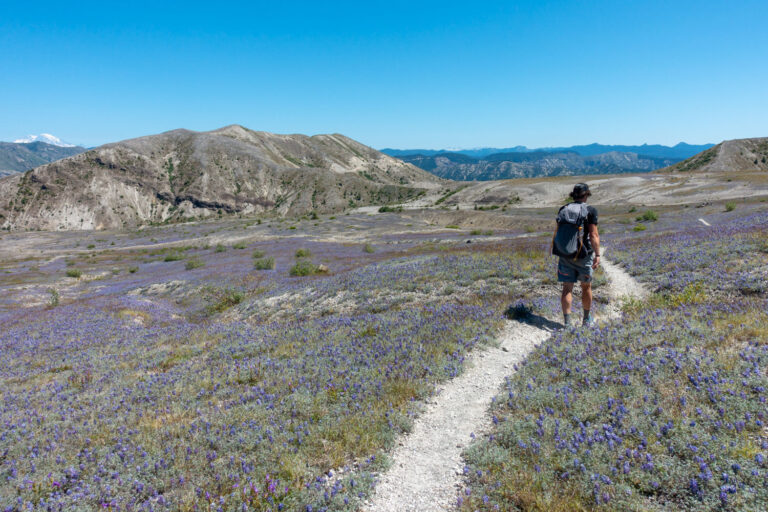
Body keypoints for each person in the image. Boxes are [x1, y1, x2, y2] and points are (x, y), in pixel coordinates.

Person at [554, 183, 600, 327]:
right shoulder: (590, 210)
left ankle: (567, 323)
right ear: (586, 195)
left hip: (566, 254)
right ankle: (586, 320)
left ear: (573, 195)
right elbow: (593, 234)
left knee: (567, 288)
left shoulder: (564, 209)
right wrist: (597, 254)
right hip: (583, 255)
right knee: (586, 287)